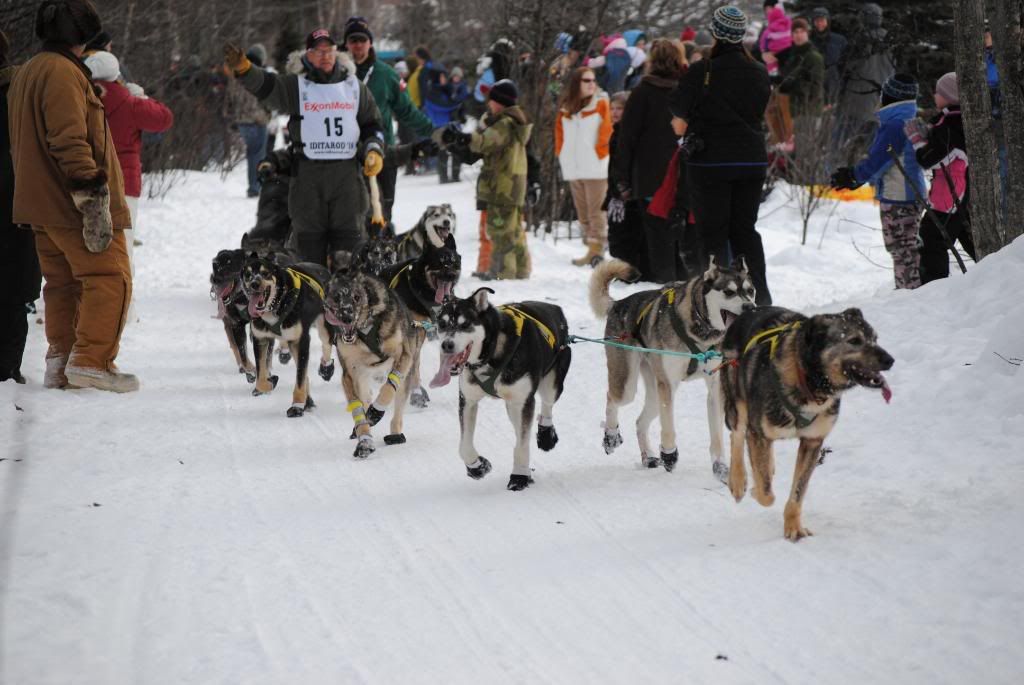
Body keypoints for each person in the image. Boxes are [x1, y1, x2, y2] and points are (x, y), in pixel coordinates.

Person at [8, 0, 137, 392]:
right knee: (111, 277)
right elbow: (68, 140)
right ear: (82, 35)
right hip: (71, 203)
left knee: (63, 283)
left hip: (40, 202)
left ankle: (61, 361)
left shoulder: (29, 70)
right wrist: (92, 200)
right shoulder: (63, 73)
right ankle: (92, 362)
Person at [224, 29, 385, 266]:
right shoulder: (297, 87)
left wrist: (373, 149)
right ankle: (312, 296)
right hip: (308, 177)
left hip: (346, 178)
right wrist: (246, 70)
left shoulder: (354, 87)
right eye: (318, 51)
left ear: (336, 52)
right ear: (308, 55)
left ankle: (349, 298)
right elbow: (268, 86)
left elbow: (373, 124)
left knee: (350, 248)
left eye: (328, 50)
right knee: (309, 249)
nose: (325, 56)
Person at [669, 6, 773, 304]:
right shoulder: (759, 71)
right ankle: (760, 297)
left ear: (716, 34)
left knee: (712, 234)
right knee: (745, 232)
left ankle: (713, 300)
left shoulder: (704, 70)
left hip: (711, 161)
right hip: (751, 159)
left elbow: (678, 106)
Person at [83, 50, 173, 324]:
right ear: (115, 73)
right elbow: (164, 119)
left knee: (85, 245)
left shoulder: (78, 96)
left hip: (85, 180)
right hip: (124, 183)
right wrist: (142, 97)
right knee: (123, 247)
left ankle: (87, 306)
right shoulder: (129, 101)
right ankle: (124, 309)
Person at [830, 74, 926, 290]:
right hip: (909, 192)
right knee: (906, 246)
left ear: (890, 96)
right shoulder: (908, 119)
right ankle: (910, 290)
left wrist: (853, 176)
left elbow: (878, 160)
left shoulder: (895, 125)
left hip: (899, 195)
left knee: (902, 248)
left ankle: (909, 293)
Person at [343, 17, 436, 217]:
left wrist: (432, 131)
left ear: (370, 43)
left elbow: (406, 110)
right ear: (346, 44)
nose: (358, 45)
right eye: (353, 40)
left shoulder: (386, 74)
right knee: (350, 217)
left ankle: (383, 241)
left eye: (362, 40)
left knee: (382, 212)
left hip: (382, 151)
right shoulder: (337, 75)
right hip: (346, 154)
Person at [443, 79, 532, 280]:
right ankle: (521, 268)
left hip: (502, 187)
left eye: (491, 100)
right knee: (514, 230)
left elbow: (485, 142)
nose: (488, 104)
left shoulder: (504, 124)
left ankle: (503, 271)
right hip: (512, 187)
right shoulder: (513, 122)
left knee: (500, 231)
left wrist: (466, 138)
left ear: (499, 102)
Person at [615, 39, 688, 283]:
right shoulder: (688, 90)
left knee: (658, 243)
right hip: (685, 175)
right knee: (682, 243)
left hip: (649, 178)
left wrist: (622, 178)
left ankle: (666, 294)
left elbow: (627, 137)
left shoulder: (642, 92)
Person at [1, 29, 43, 384]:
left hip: (14, 192)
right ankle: (8, 365)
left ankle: (7, 366)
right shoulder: (21, 88)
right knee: (14, 289)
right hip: (16, 194)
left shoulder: (19, 88)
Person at [906, 73, 976, 284]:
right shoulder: (952, 120)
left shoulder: (951, 122)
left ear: (949, 95)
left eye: (938, 91)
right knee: (965, 234)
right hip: (953, 190)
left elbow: (930, 159)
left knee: (932, 239)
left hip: (950, 191)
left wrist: (917, 141)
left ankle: (933, 288)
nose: (934, 95)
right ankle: (993, 274)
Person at [555, 67, 613, 267]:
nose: (591, 83)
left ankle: (596, 251)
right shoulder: (565, 108)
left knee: (596, 211)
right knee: (582, 212)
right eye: (586, 80)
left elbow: (607, 132)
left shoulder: (601, 104)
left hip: (595, 167)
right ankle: (591, 248)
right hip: (573, 167)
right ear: (576, 83)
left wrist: (600, 153)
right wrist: (562, 156)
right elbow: (559, 136)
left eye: (593, 80)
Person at [835, 3, 894, 160]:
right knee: (873, 146)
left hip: (855, 100)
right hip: (881, 101)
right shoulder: (891, 40)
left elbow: (845, 67)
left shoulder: (859, 40)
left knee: (845, 144)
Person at [604, 91, 647, 274]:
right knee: (619, 237)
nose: (614, 112)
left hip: (626, 193)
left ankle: (629, 271)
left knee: (626, 236)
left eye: (619, 108)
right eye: (612, 108)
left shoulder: (627, 133)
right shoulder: (617, 131)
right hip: (617, 192)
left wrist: (621, 189)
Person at [223, 44, 272, 198]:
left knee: (252, 153)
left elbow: (229, 100)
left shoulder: (236, 75)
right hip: (258, 121)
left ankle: (254, 185)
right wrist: (268, 115)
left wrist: (231, 118)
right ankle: (255, 187)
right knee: (258, 154)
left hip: (242, 122)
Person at [423, 62, 469, 184]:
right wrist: (456, 105)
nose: (445, 79)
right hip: (439, 126)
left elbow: (455, 100)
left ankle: (455, 175)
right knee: (443, 152)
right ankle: (443, 177)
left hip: (450, 124)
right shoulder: (432, 91)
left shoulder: (444, 89)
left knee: (457, 149)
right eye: (442, 76)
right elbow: (443, 106)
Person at [777, 18, 824, 117]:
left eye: (802, 32)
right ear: (792, 35)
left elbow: (816, 88)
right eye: (796, 32)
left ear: (808, 33)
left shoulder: (814, 57)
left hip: (806, 113)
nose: (799, 35)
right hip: (789, 109)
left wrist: (808, 113)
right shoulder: (791, 56)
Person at [809, 7, 847, 105]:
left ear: (827, 21)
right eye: (817, 21)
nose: (819, 24)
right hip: (813, 83)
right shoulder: (808, 41)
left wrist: (842, 83)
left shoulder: (839, 40)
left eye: (822, 20)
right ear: (813, 22)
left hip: (834, 83)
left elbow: (845, 64)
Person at [759, 1, 793, 78]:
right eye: (766, 9)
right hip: (772, 59)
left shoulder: (787, 24)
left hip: (783, 60)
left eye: (770, 8)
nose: (767, 11)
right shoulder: (766, 28)